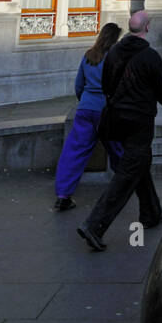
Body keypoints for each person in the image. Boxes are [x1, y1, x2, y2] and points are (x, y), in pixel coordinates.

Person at [77, 8, 162, 252]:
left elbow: (106, 86)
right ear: (147, 28)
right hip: (139, 121)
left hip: (117, 118)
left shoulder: (112, 53)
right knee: (129, 170)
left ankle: (151, 212)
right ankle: (95, 224)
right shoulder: (150, 57)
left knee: (139, 161)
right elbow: (161, 89)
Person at [53, 23, 123, 211]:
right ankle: (124, 188)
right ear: (115, 39)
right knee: (119, 151)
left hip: (85, 109)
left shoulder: (88, 56)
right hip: (106, 111)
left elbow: (78, 85)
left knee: (74, 153)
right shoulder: (116, 58)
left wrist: (85, 101)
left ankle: (63, 195)